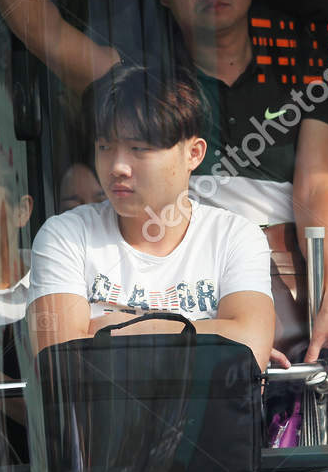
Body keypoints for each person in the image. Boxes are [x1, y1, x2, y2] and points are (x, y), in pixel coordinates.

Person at [0, 0, 328, 384]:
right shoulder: (143, 83)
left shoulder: (308, 73)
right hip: (163, 284)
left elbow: (319, 188)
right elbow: (49, 36)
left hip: (287, 287)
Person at [28, 64, 275, 372]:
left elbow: (250, 345)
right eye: (105, 146)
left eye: (138, 149)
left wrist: (113, 327)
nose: (117, 166)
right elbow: (61, 363)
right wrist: (214, 337)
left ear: (194, 154)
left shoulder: (235, 236)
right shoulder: (65, 236)